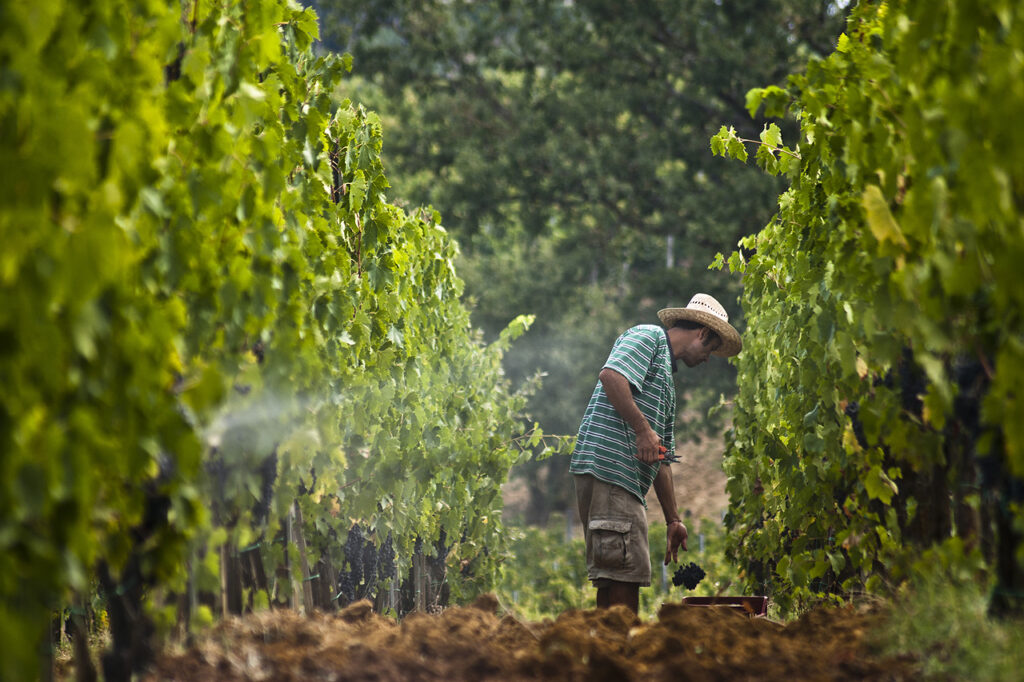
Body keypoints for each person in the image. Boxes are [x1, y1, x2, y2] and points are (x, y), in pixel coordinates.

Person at [569, 293, 742, 613]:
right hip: (612, 473)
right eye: (710, 348)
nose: (708, 359)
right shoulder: (648, 337)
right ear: (702, 333)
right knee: (625, 576)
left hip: (620, 481)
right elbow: (611, 376)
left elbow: (661, 458)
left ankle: (606, 653)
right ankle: (620, 657)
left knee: (614, 576)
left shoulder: (666, 382)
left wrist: (673, 519)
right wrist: (642, 429)